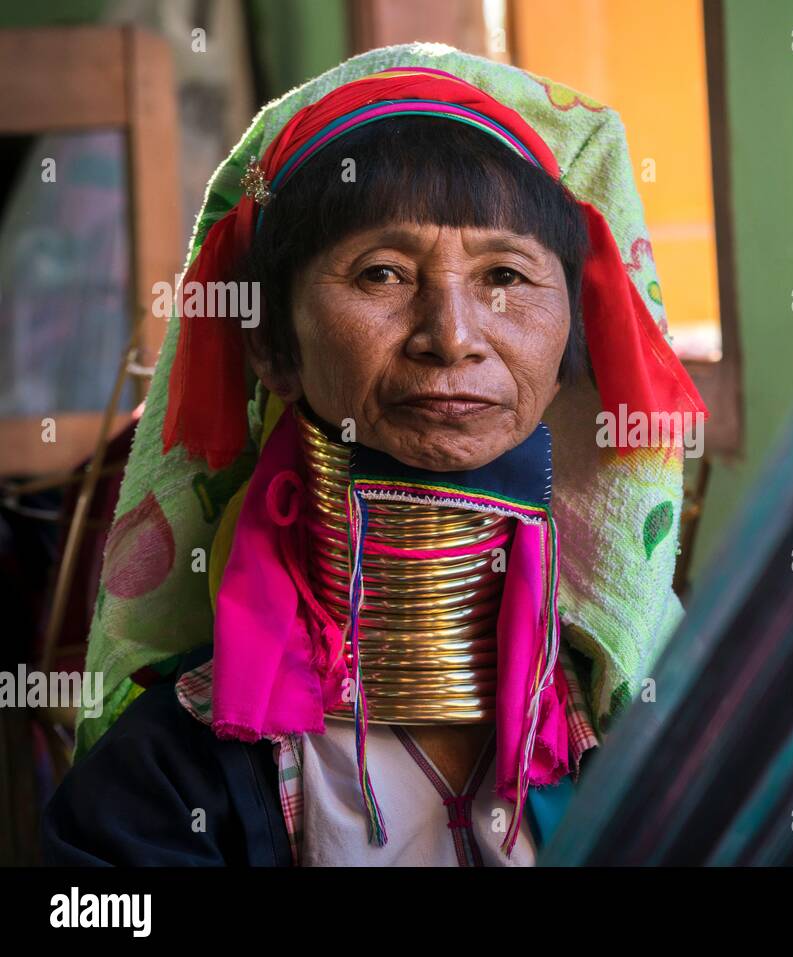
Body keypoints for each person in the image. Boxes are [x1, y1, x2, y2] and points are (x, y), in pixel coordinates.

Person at [42, 47, 706, 866]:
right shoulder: (164, 784)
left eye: (504, 274)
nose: (453, 336)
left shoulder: (659, 743)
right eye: (383, 273)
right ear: (271, 346)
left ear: (572, 334)